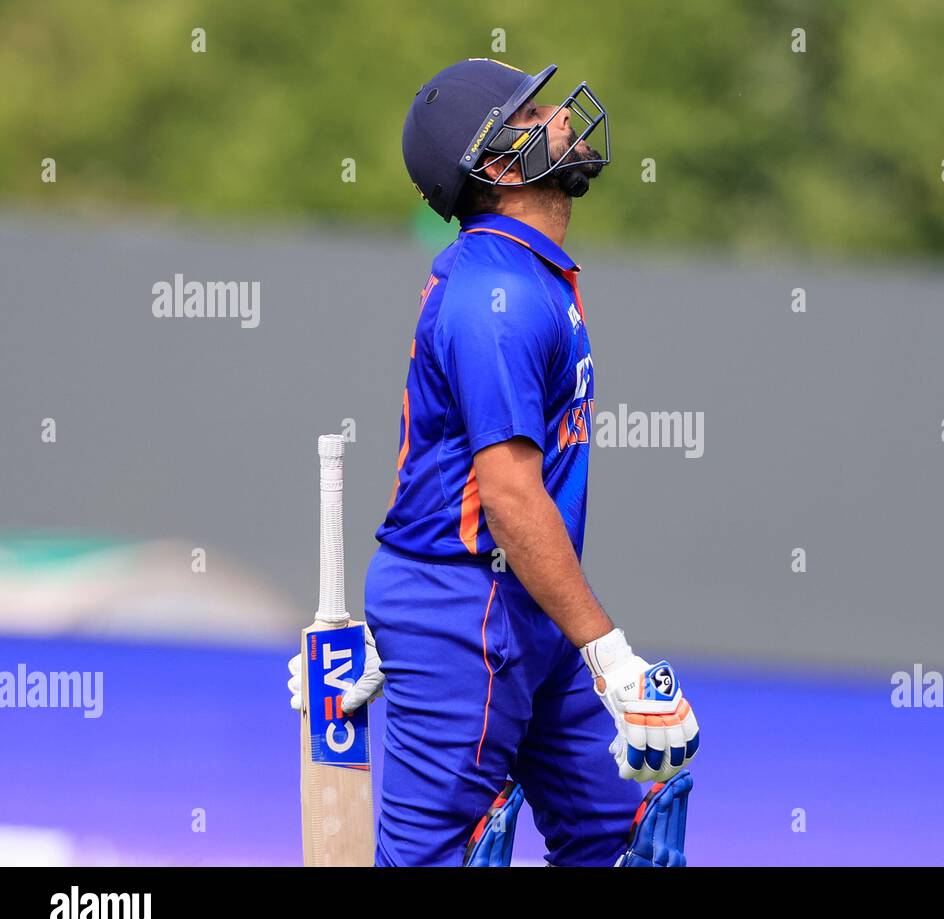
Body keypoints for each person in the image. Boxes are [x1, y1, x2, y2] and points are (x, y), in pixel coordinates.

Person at [295, 58, 699, 867]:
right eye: (534, 110)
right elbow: (508, 496)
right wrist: (612, 659)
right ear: (497, 164)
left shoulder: (527, 271)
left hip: (519, 605)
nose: (561, 115)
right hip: (463, 608)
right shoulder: (496, 295)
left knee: (631, 840)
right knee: (450, 857)